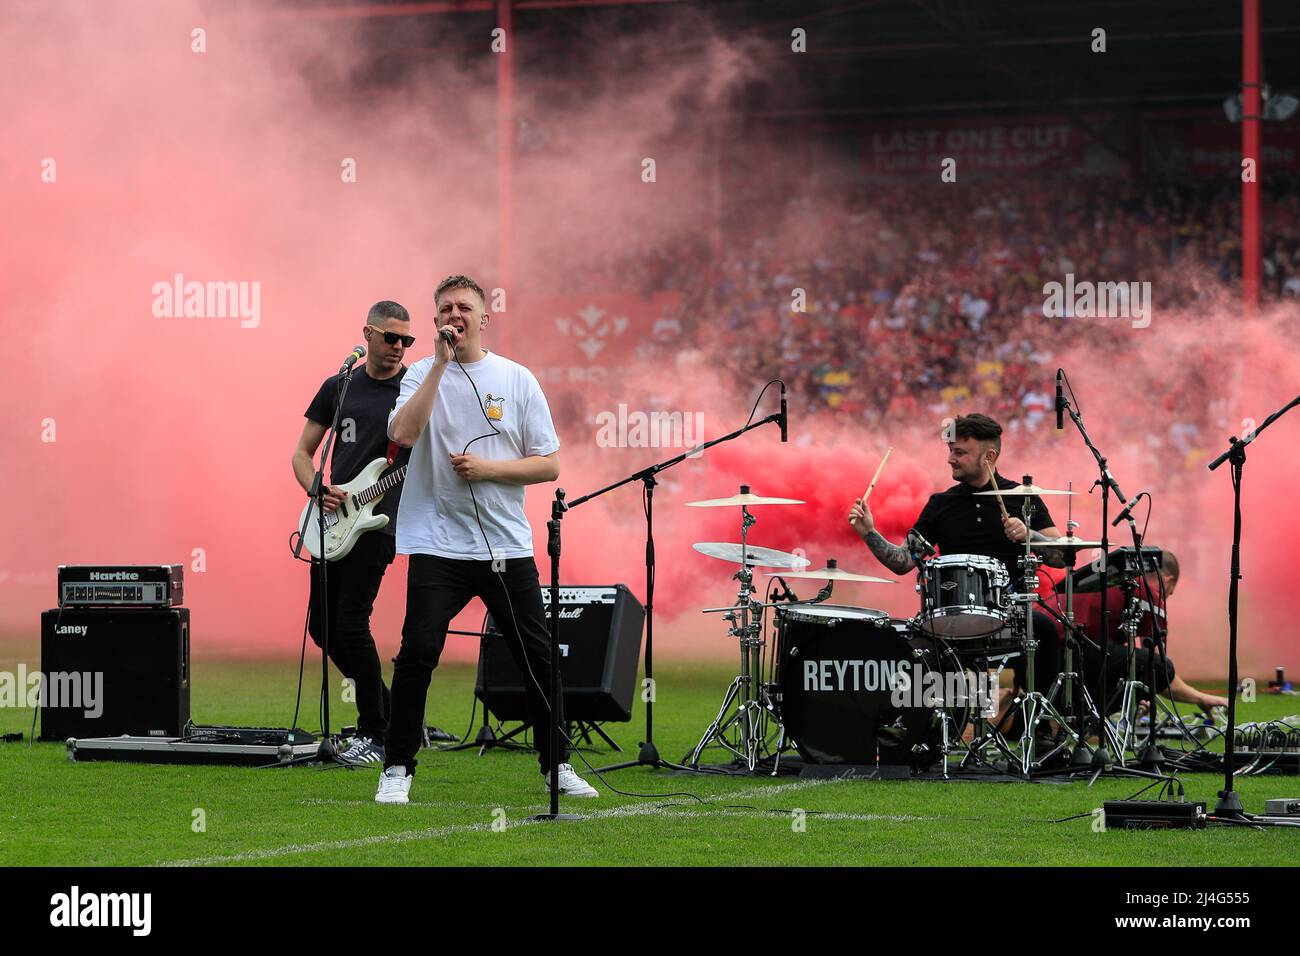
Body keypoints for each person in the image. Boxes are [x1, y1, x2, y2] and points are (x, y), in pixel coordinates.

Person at [375, 275, 597, 804]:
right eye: (445, 308)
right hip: (436, 541)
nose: (455, 315)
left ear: (484, 318)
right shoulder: (420, 375)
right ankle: (398, 769)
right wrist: (438, 369)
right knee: (417, 653)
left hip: (503, 545)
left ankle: (557, 765)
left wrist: (489, 470)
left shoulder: (516, 379)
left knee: (538, 660)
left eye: (464, 308)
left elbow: (549, 464)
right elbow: (402, 435)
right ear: (435, 322)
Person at [848, 413, 1068, 710]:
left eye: (960, 452)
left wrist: (1029, 535)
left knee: (1043, 628)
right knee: (909, 648)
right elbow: (902, 561)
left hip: (1010, 614)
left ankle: (1038, 724)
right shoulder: (942, 504)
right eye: (950, 451)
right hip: (946, 616)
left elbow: (1062, 555)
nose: (951, 459)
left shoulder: (1022, 498)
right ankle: (933, 732)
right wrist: (869, 533)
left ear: (989, 456)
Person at [292, 300, 413, 766]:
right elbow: (303, 452)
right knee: (322, 629)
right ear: (368, 333)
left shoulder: (413, 388)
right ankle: (390, 712)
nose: (399, 347)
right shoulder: (339, 385)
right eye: (391, 338)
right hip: (333, 520)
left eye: (407, 340)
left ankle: (376, 731)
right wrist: (316, 488)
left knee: (350, 624)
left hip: (378, 525)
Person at [1065, 550, 1229, 714]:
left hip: (1055, 645)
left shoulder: (1114, 579)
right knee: (1157, 666)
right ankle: (1092, 723)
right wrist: (1200, 697)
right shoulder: (1149, 592)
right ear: (1167, 580)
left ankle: (1075, 720)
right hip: (1075, 650)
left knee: (1121, 659)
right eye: (1169, 592)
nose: (1166, 598)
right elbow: (1161, 670)